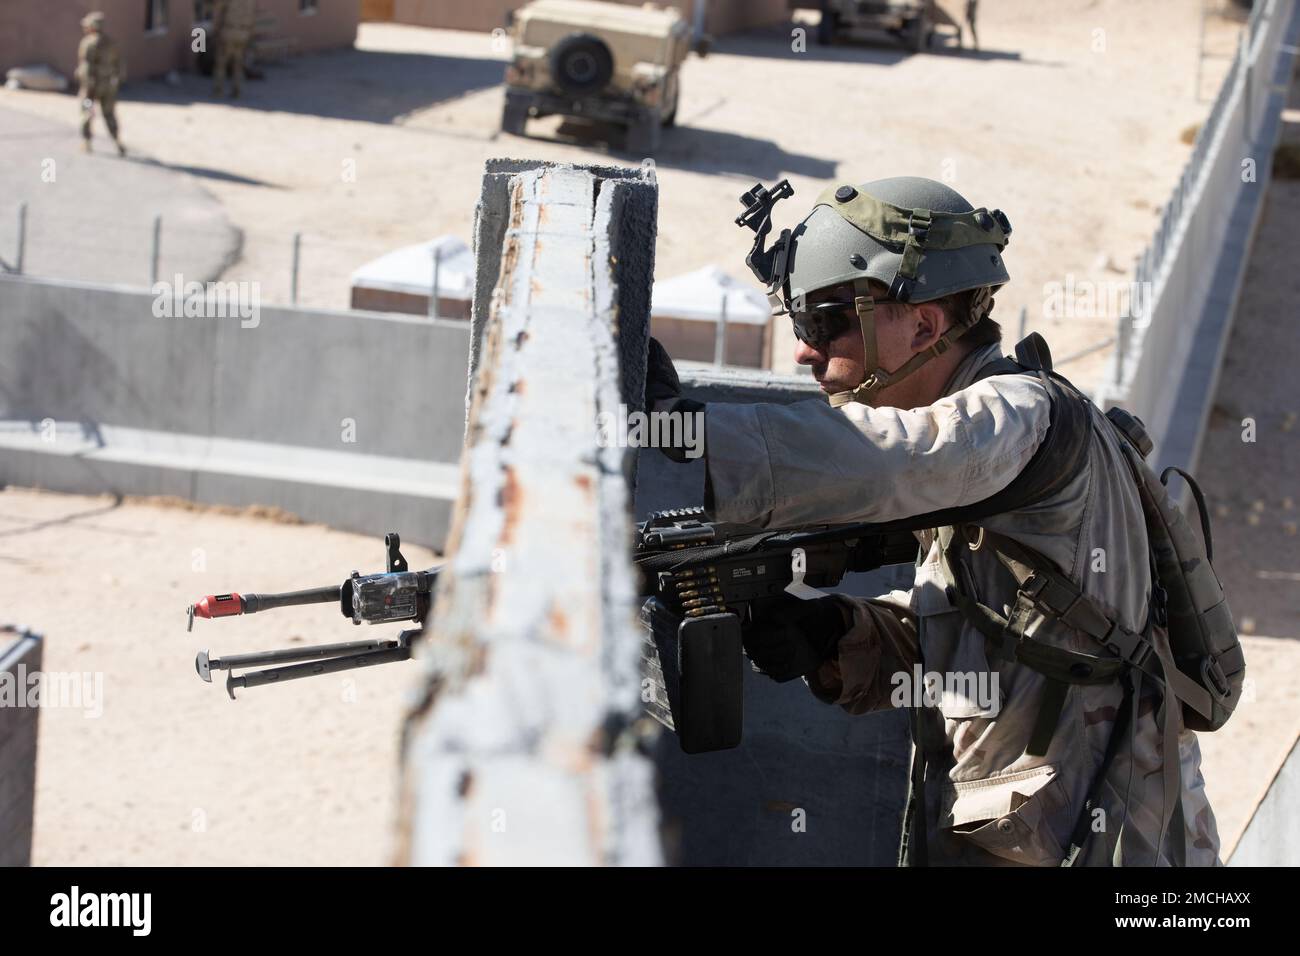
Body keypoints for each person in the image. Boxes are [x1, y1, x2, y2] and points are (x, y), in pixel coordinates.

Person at [646, 176, 1224, 866]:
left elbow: (881, 462)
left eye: (824, 321)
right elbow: (1000, 640)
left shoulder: (1017, 418)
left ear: (924, 324)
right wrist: (841, 636)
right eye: (799, 324)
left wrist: (677, 442)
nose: (803, 350)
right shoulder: (979, 456)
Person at [76, 12, 125, 155]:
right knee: (109, 113)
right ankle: (117, 141)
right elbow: (119, 65)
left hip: (92, 85)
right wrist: (117, 81)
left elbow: (86, 67)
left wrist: (86, 85)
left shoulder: (88, 43)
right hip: (108, 85)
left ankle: (86, 141)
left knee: (87, 111)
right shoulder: (111, 43)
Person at [212, 0, 258, 98]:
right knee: (238, 64)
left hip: (229, 32)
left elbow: (218, 13)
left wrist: (215, 31)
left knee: (221, 63)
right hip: (244, 33)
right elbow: (254, 16)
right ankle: (236, 90)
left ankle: (218, 90)